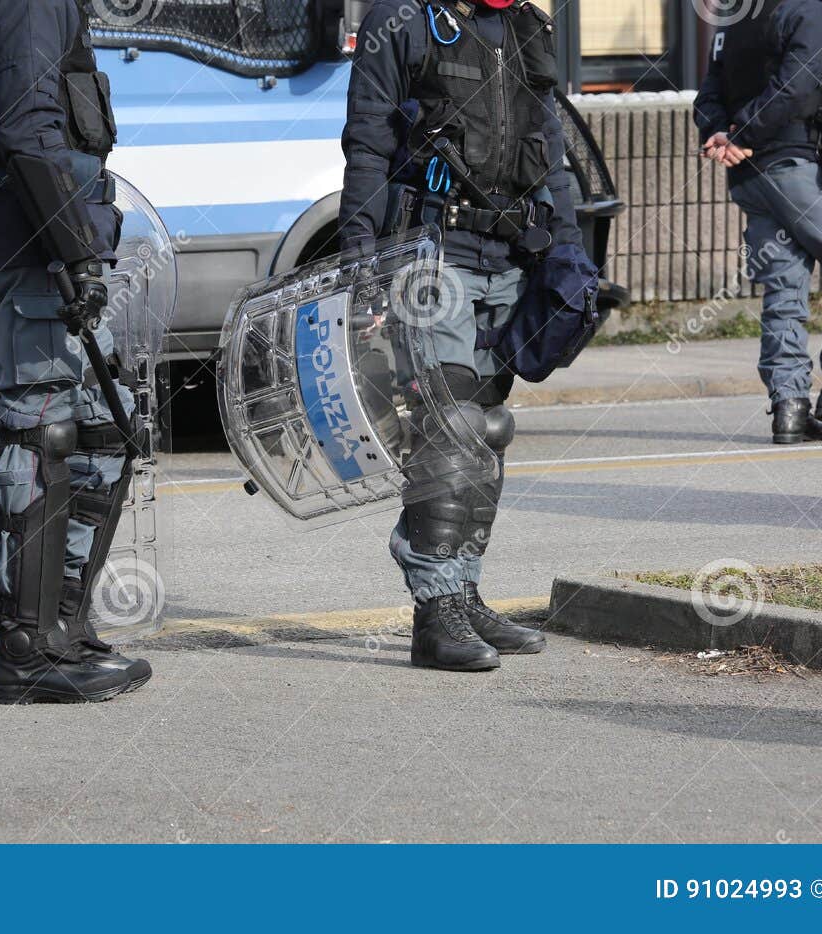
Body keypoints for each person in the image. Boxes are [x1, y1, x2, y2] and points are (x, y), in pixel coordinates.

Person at [340, 0, 580, 671]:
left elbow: (552, 153)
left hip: (508, 257)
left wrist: (567, 252)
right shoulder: (404, 21)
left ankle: (465, 592)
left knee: (488, 427)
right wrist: (362, 258)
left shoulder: (525, 28)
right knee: (450, 425)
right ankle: (435, 610)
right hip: (431, 254)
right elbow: (368, 144)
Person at [0, 0, 152, 703]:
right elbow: (26, 129)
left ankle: (61, 623)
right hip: (35, 248)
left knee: (104, 430)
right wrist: (77, 253)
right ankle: (26, 649)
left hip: (34, 239)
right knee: (41, 432)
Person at [693, 0, 822, 445]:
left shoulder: (735, 21)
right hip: (799, 168)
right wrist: (742, 135)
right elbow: (796, 86)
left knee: (784, 287)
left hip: (750, 177)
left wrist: (721, 134)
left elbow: (708, 94)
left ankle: (790, 408)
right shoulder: (809, 13)